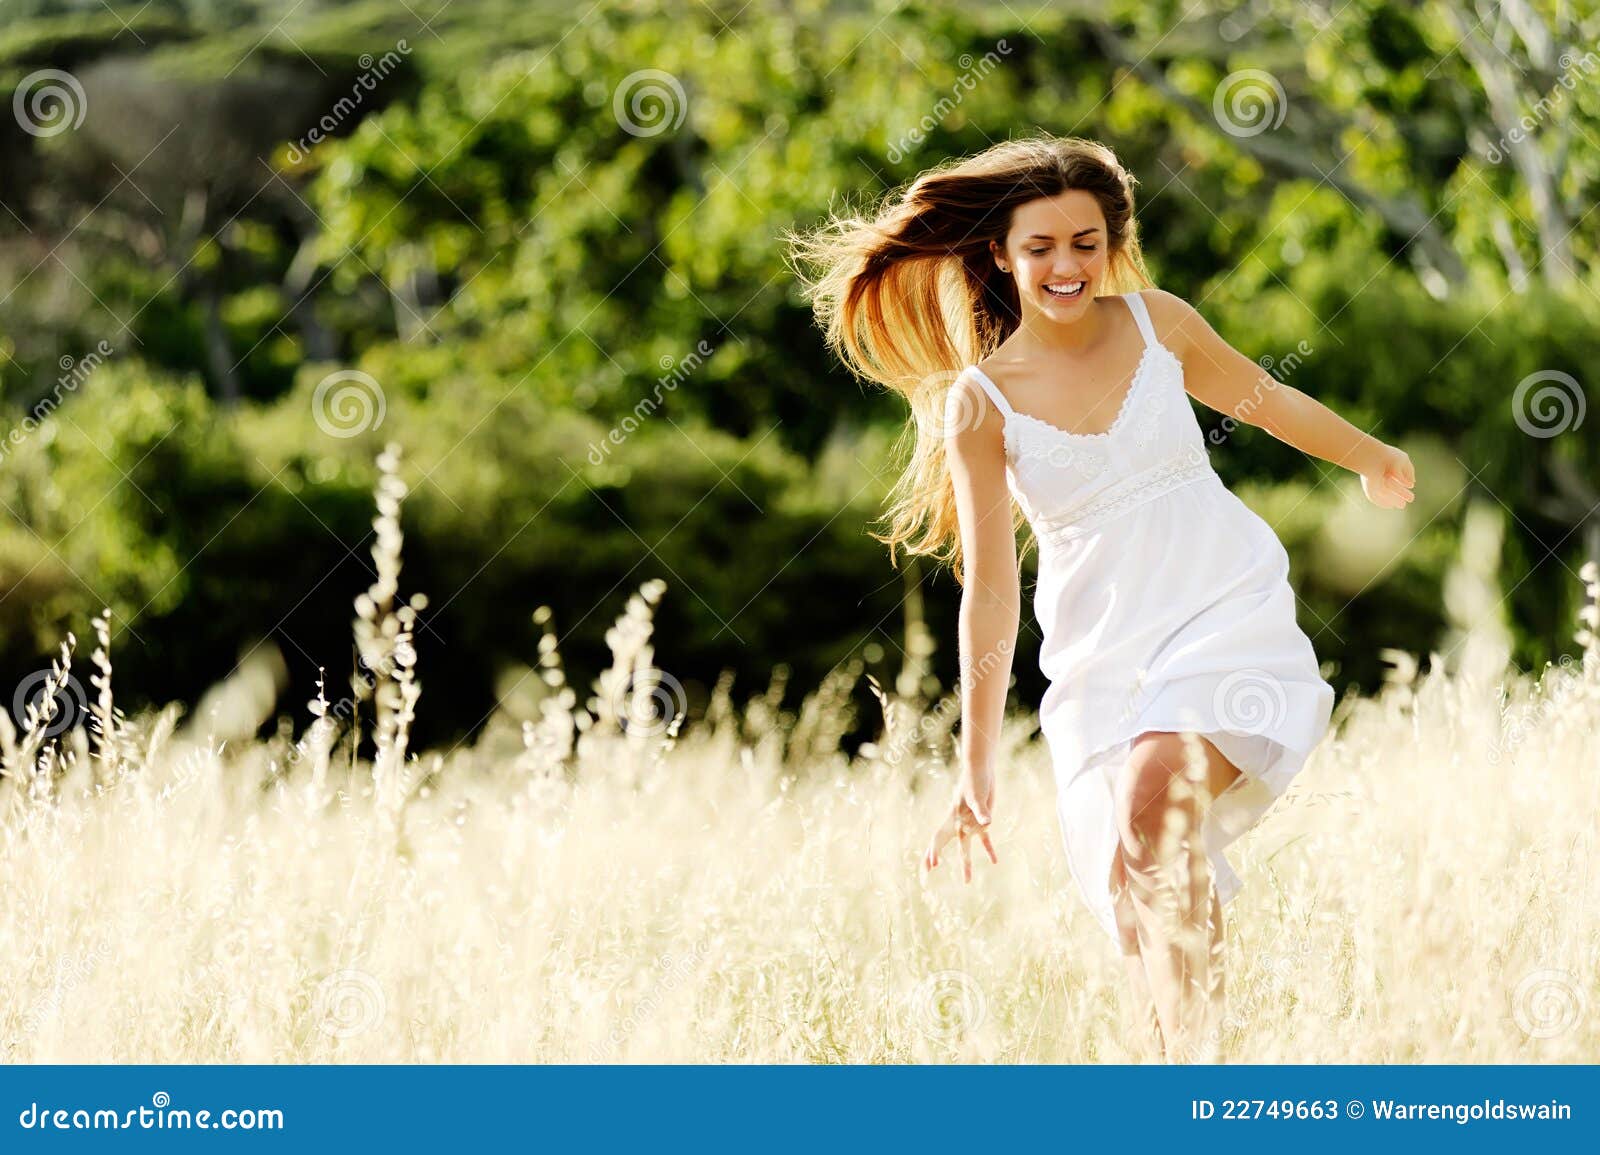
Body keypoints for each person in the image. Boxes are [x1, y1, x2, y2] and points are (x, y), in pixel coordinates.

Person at [786, 134, 1414, 1062]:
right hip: (1100, 661)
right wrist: (977, 771)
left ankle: (1206, 1074)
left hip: (1219, 610)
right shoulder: (981, 403)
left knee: (1154, 801)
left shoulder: (1162, 324)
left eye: (1085, 241)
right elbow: (992, 591)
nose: (1065, 265)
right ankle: (1165, 1081)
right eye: (1040, 246)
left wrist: (1372, 456)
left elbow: (1268, 399)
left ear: (1110, 242)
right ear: (1002, 255)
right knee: (1137, 891)